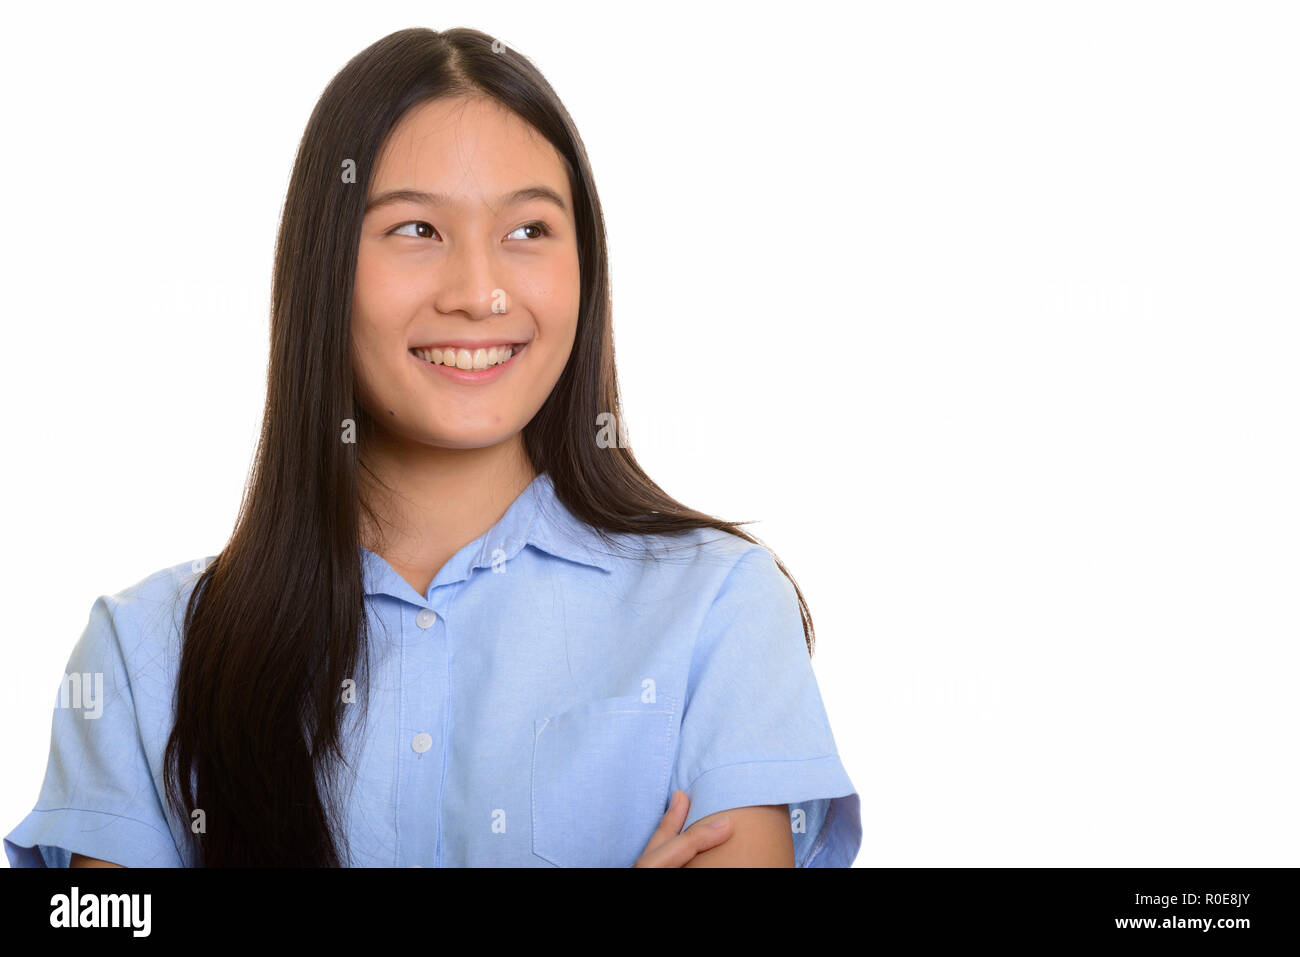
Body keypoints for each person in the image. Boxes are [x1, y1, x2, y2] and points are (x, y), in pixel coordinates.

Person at [5, 26, 861, 868]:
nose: (480, 294)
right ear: (324, 265)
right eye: (417, 229)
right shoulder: (144, 656)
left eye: (528, 230)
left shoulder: (719, 610)